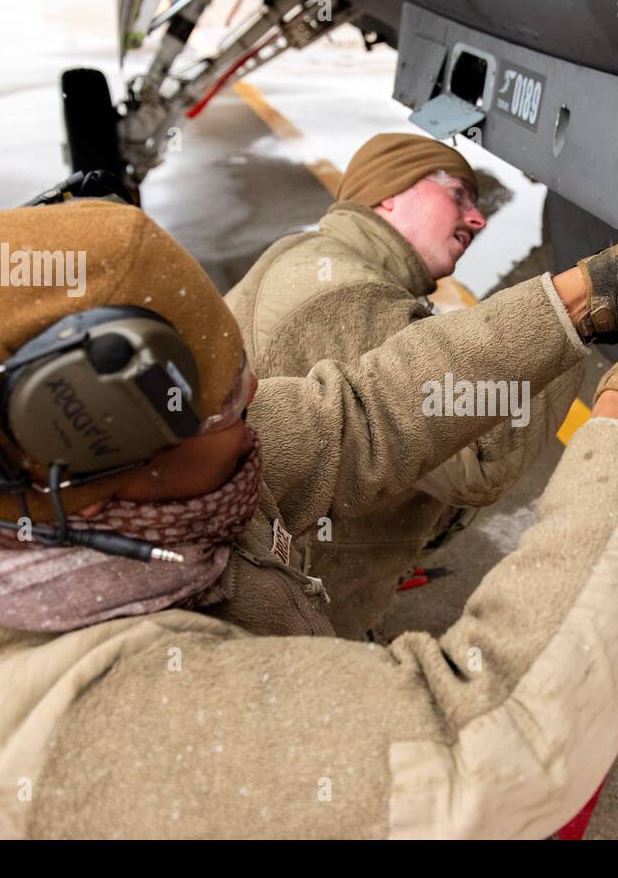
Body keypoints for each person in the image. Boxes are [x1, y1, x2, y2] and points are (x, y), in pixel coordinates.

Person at [0, 197, 618, 838]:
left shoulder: (94, 512)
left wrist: (574, 304)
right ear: (92, 452)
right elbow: (483, 741)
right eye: (226, 410)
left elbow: (358, 412)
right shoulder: (86, 741)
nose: (256, 418)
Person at [225, 132, 585, 639]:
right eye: (457, 194)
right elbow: (480, 461)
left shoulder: (300, 253)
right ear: (386, 195)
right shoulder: (356, 298)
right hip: (304, 613)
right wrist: (568, 326)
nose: (477, 219)